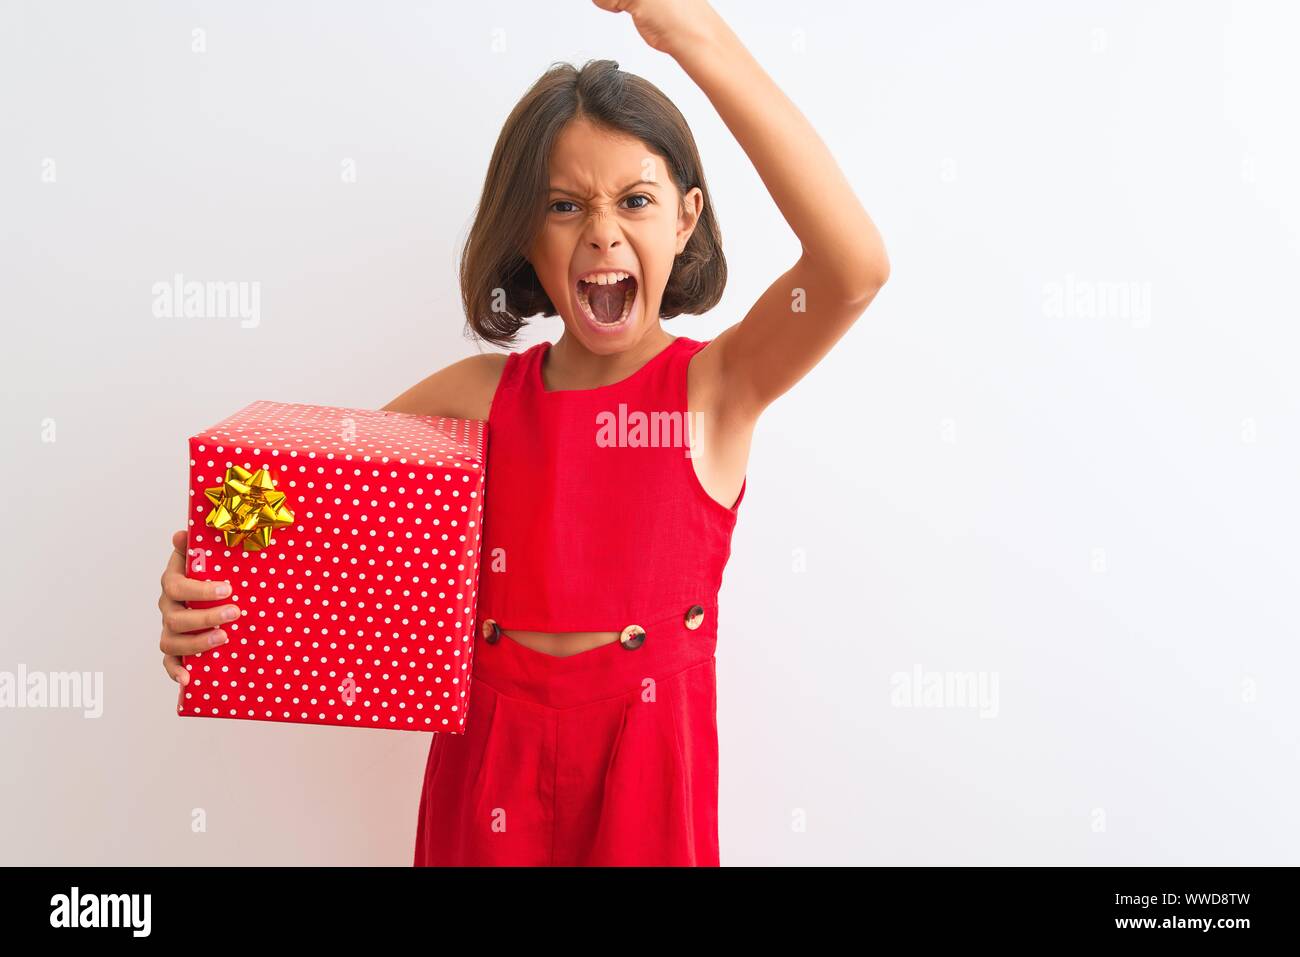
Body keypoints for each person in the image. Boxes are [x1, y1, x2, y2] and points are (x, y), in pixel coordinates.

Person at [156, 0, 889, 866]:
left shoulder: (715, 390)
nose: (603, 230)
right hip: (485, 777)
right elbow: (289, 509)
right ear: (526, 236)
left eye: (637, 199)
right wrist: (199, 578)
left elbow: (853, 266)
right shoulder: (474, 399)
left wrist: (694, 30)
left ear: (685, 219)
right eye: (565, 206)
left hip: (648, 780)